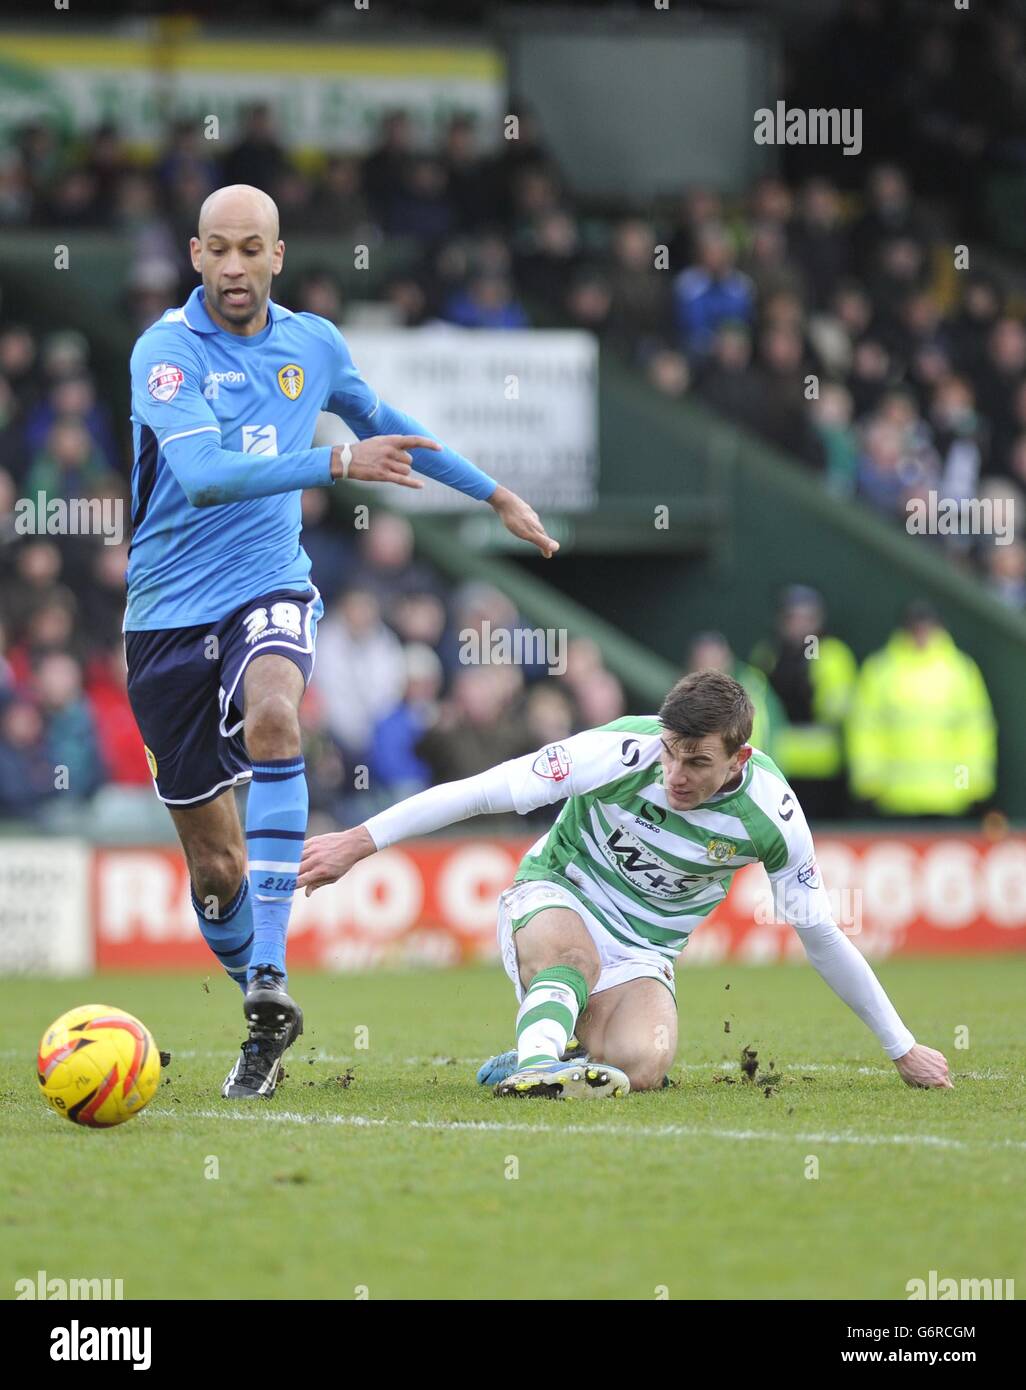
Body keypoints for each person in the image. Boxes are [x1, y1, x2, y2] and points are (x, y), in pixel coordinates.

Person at [125, 183, 558, 1101]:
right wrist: (331, 462)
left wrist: (493, 493)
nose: (235, 266)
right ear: (195, 256)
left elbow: (386, 429)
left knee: (278, 713)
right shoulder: (164, 352)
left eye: (253, 249)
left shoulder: (312, 343)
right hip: (164, 618)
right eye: (218, 249)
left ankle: (273, 972)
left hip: (266, 588)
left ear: (278, 257)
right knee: (214, 866)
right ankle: (261, 1012)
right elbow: (201, 476)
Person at [299, 670, 952, 1099]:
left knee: (642, 1066)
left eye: (697, 762)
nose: (675, 774)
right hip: (557, 893)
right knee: (573, 958)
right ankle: (537, 1066)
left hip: (643, 951)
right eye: (671, 750)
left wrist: (902, 1047)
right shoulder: (621, 751)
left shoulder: (773, 818)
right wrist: (359, 844)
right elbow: (484, 790)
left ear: (739, 760)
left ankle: (542, 1043)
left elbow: (820, 935)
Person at [847, 602, 996, 817]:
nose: (921, 634)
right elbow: (865, 728)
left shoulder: (960, 670)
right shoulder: (880, 669)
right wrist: (869, 781)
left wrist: (973, 783)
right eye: (915, 628)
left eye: (927, 627)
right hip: (894, 799)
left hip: (950, 798)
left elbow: (975, 729)